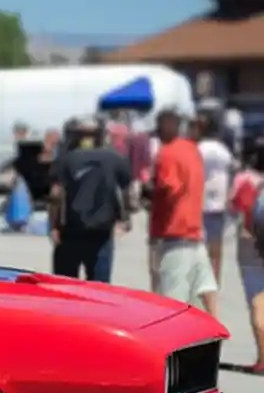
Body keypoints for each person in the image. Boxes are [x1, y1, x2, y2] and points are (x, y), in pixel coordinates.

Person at [149, 108, 219, 318]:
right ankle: (217, 330)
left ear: (164, 127)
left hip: (173, 234)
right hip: (194, 231)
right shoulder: (192, 149)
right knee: (205, 287)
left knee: (171, 299)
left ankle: (174, 346)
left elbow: (170, 188)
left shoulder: (167, 152)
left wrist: (151, 192)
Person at [47, 116, 133, 282]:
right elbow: (127, 190)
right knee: (99, 290)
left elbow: (55, 195)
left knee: (64, 287)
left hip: (70, 232)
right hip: (101, 232)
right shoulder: (115, 158)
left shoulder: (65, 160)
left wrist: (53, 226)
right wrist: (126, 218)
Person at [229, 142, 264, 371]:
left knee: (258, 301)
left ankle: (262, 358)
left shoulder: (244, 179)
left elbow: (233, 206)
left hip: (250, 246)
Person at [196, 114, 233, 284]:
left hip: (200, 201)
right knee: (216, 245)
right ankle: (214, 278)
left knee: (199, 244)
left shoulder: (199, 148)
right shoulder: (223, 150)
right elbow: (231, 172)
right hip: (219, 201)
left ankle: (201, 279)